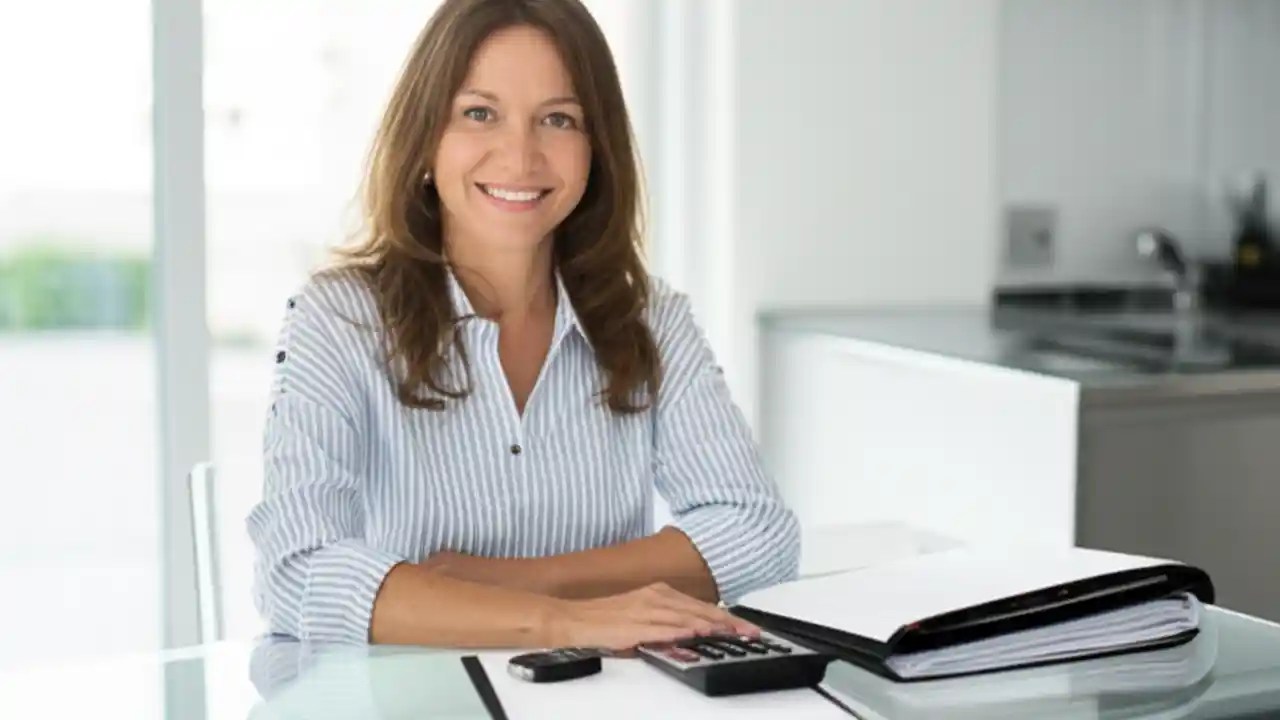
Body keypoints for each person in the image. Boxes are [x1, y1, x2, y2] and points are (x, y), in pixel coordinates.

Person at [246, 0, 799, 652]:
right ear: (426, 137)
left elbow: (758, 535)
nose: (520, 155)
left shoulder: (652, 319)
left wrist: (518, 580)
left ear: (596, 151)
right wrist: (567, 621)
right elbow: (297, 573)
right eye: (479, 113)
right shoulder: (336, 320)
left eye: (558, 120)